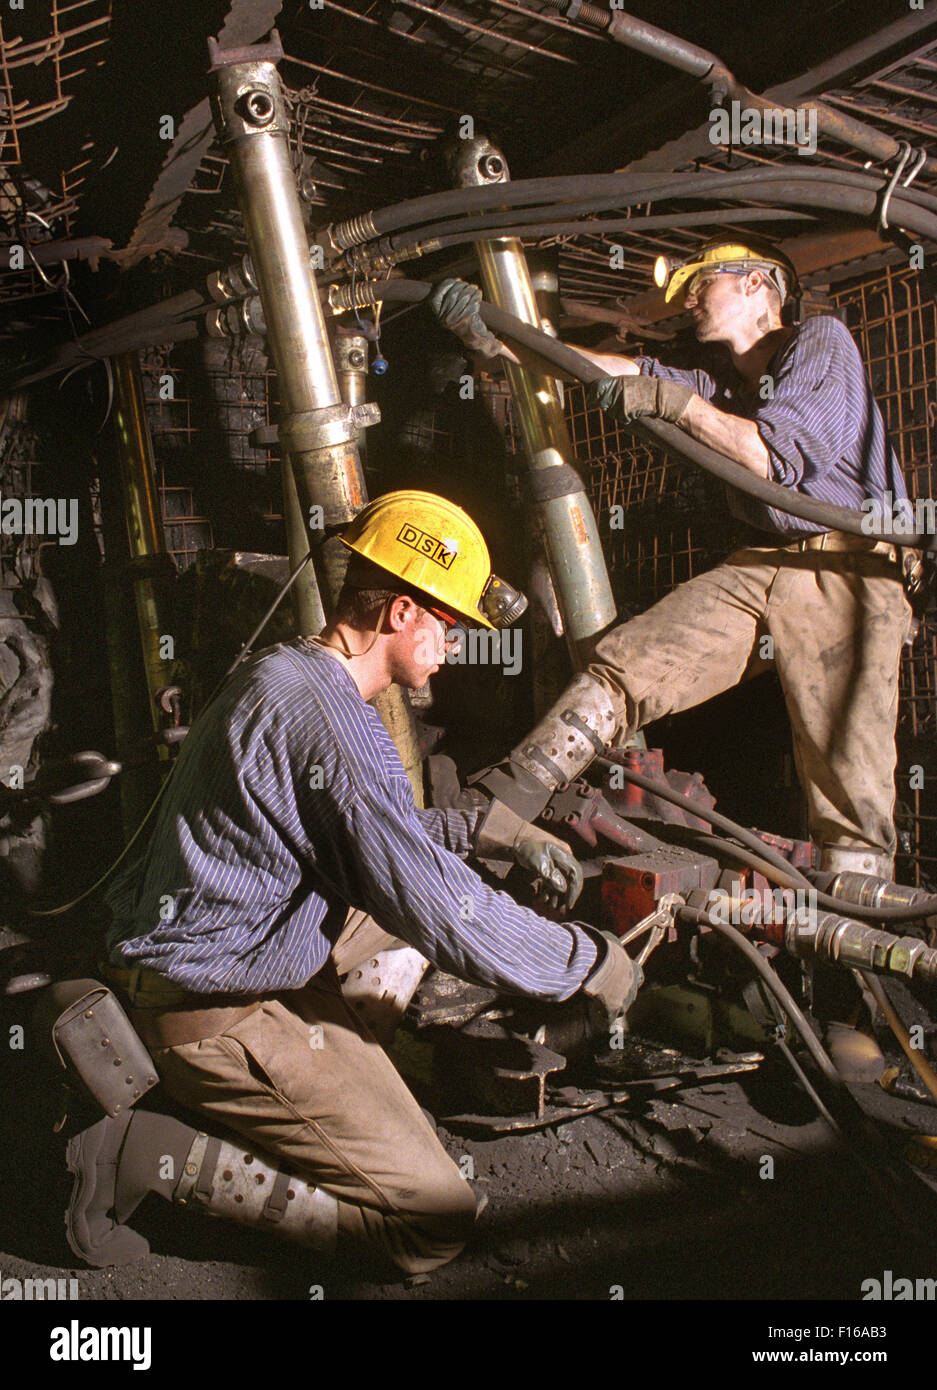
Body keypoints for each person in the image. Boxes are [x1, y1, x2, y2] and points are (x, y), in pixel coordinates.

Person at [65, 489, 640, 1278]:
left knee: (418, 910)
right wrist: (584, 963)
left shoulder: (293, 675)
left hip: (242, 947)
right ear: (401, 612)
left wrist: (485, 831)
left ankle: (331, 1087)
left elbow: (367, 838)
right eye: (447, 626)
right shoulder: (329, 722)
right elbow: (435, 904)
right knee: (432, 1224)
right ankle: (147, 1152)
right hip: (216, 1009)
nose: (452, 648)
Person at [430, 237, 918, 879]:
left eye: (702, 282)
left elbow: (772, 459)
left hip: (848, 568)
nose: (687, 298)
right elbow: (604, 368)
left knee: (849, 792)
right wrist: (502, 340)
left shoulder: (820, 340)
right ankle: (497, 808)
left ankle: (859, 936)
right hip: (765, 563)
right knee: (630, 663)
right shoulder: (716, 379)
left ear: (756, 285)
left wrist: (677, 406)